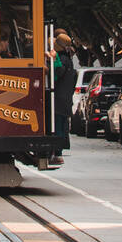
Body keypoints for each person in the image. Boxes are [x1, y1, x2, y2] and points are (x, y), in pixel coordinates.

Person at [47, 29, 76, 166]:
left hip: (58, 99)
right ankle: (57, 151)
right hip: (65, 99)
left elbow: (57, 74)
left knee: (58, 125)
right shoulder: (69, 59)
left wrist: (52, 61)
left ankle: (57, 152)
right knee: (61, 124)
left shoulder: (62, 60)